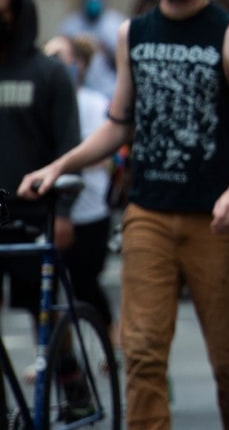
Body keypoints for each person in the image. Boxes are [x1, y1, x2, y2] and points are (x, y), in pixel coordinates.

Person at [19, 0, 229, 429]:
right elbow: (119, 124)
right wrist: (58, 166)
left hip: (216, 221)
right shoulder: (132, 33)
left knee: (228, 359)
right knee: (142, 353)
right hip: (149, 215)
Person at [1, 0, 81, 328]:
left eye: (5, 13)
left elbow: (68, 143)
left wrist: (63, 212)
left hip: (33, 211)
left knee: (43, 312)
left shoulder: (49, 73)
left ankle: (64, 360)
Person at [41, 36, 116, 340]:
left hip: (89, 211)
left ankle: (109, 343)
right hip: (47, 210)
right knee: (45, 292)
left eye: (60, 57)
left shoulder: (95, 104)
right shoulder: (43, 100)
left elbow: (107, 156)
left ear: (79, 64)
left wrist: (67, 162)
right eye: (48, 56)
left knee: (86, 286)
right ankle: (59, 353)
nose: (53, 64)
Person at [57, 0, 124, 97]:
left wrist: (107, 50)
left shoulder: (117, 24)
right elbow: (60, 59)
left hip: (109, 91)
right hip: (79, 91)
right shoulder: (70, 25)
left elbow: (125, 62)